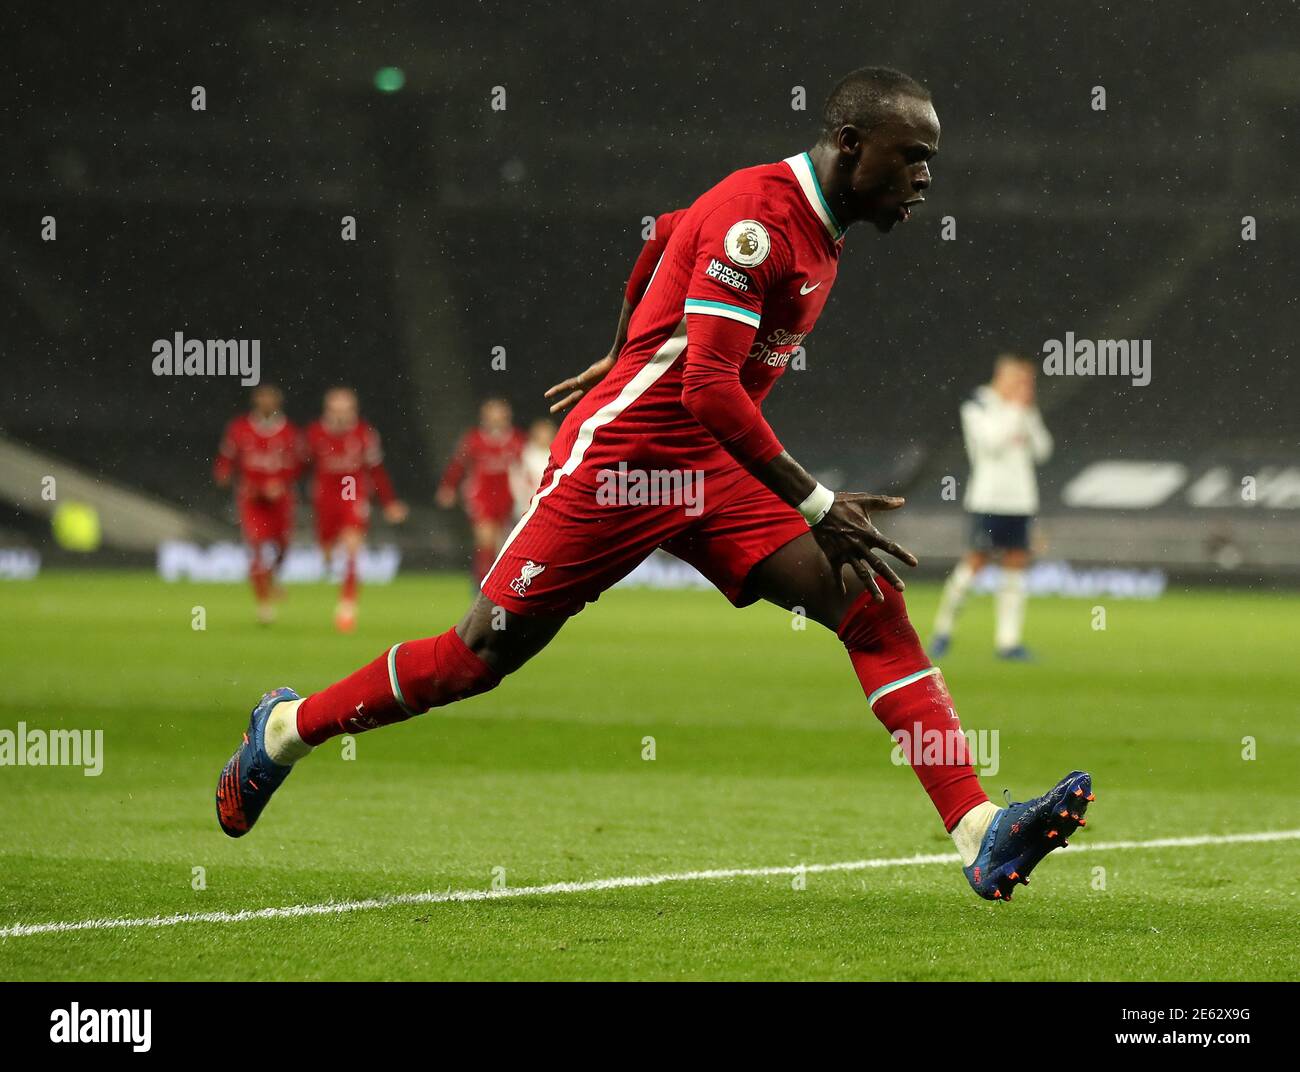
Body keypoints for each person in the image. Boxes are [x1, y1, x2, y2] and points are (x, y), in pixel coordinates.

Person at [217, 67, 1093, 902]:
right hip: (621, 461)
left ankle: (977, 827)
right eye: (914, 156)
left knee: (867, 598)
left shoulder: (813, 228)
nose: (926, 178)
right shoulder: (761, 220)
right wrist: (813, 500)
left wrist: (626, 337)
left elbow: (667, 231)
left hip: (710, 468)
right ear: (852, 142)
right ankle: (286, 731)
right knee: (477, 655)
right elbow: (706, 385)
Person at [931, 354, 1053, 660]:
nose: (1024, 386)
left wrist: (1027, 413)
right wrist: (1015, 409)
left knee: (1015, 568)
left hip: (1021, 500)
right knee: (975, 563)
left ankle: (1008, 642)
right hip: (988, 499)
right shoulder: (978, 404)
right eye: (1019, 379)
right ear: (1002, 376)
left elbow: (1042, 450)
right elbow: (992, 444)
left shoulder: (1022, 409)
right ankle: (943, 630)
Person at [303, 387, 408, 632]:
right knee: (327, 550)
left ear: (354, 410)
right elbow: (301, 464)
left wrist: (389, 502)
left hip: (353, 496)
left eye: (345, 410)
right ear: (327, 411)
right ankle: (330, 565)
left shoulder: (364, 434)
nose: (341, 415)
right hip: (325, 499)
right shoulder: (315, 434)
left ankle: (347, 606)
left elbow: (376, 471)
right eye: (336, 410)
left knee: (352, 548)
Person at [213, 384, 300, 624]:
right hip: (252, 499)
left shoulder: (288, 432)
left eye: (270, 399)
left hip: (280, 500)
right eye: (262, 399)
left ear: (277, 403)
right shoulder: (240, 429)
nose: (266, 403)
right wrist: (222, 471)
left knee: (283, 546)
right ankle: (264, 605)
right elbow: (227, 456)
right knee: (257, 546)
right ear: (255, 401)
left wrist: (281, 482)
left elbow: (297, 465)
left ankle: (271, 577)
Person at [436, 398, 527, 585]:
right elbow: (457, 465)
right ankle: (481, 586)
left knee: (503, 544)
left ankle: (499, 584)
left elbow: (526, 467)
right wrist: (448, 487)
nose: (496, 420)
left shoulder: (517, 440)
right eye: (491, 415)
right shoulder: (473, 439)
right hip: (481, 495)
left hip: (507, 496)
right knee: (485, 540)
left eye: (499, 415)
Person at [511, 417, 557, 520]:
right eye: (541, 433)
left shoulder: (558, 455)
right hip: (528, 504)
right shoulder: (525, 454)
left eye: (547, 433)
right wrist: (522, 499)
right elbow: (516, 479)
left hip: (552, 504)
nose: (544, 436)